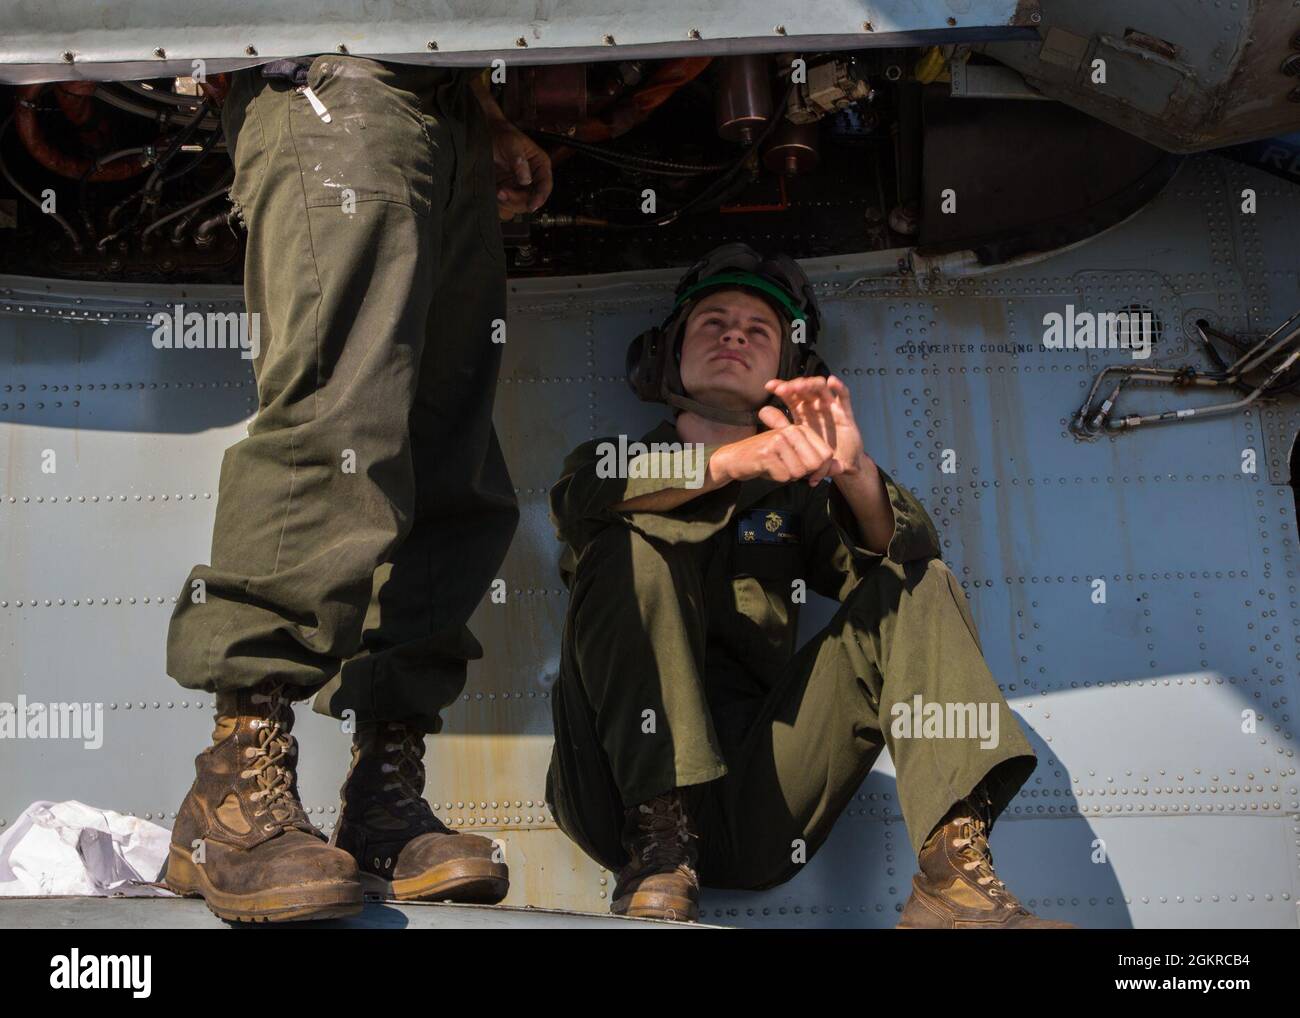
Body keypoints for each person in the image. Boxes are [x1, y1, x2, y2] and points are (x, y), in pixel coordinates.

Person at [544, 243, 1076, 927]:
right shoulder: (610, 464)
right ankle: (661, 838)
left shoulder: (794, 499)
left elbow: (900, 564)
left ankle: (953, 884)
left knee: (914, 585)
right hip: (615, 803)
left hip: (759, 807)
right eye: (713, 322)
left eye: (759, 330)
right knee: (628, 544)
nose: (735, 332)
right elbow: (585, 499)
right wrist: (738, 459)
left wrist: (853, 474)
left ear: (788, 370)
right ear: (666, 356)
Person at [162, 55, 551, 922]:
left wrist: (480, 113)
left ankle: (383, 789)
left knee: (448, 446)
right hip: (337, 80)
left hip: (440, 100)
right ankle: (234, 782)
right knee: (338, 415)